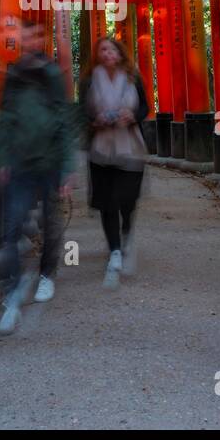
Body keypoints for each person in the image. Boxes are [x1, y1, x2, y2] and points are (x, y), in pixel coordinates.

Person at [0, 20, 75, 335]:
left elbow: (64, 118)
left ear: (42, 40)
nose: (29, 41)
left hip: (50, 161)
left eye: (34, 36)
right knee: (10, 228)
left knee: (52, 220)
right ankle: (11, 287)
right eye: (24, 36)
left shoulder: (52, 74)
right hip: (19, 163)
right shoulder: (13, 74)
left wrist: (67, 166)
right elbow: (6, 117)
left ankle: (46, 275)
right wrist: (2, 159)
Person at [78, 36, 148, 290]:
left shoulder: (132, 77)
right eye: (102, 50)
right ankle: (115, 250)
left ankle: (127, 231)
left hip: (129, 147)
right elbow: (83, 110)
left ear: (120, 53)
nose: (107, 53)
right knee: (107, 201)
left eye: (111, 49)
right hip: (101, 148)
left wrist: (131, 116)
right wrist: (95, 120)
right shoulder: (89, 80)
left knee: (126, 200)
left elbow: (145, 109)